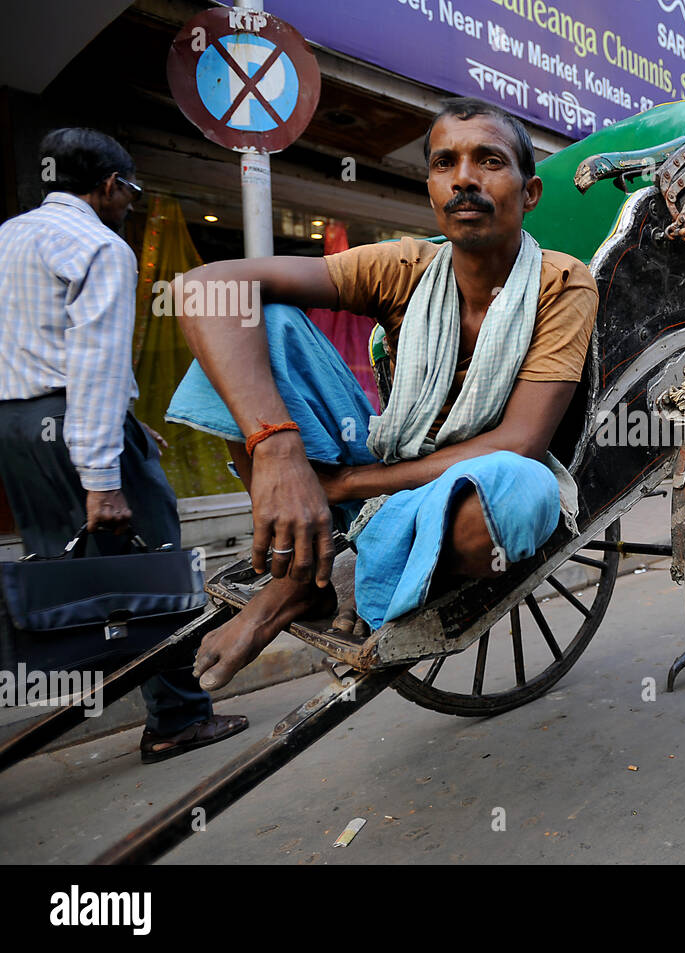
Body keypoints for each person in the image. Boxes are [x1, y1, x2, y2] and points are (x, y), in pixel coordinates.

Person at [165, 98, 599, 692]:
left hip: (464, 484)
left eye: (490, 161)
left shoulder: (563, 280)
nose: (465, 179)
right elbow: (207, 287)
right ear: (430, 187)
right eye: (445, 163)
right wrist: (278, 450)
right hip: (388, 457)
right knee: (264, 327)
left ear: (530, 194)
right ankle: (305, 574)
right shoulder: (406, 265)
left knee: (521, 493)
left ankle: (350, 565)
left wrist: (343, 486)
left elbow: (521, 441)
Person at [0, 128, 247, 762]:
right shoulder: (100, 247)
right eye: (130, 192)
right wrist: (103, 471)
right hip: (75, 426)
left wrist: (125, 425)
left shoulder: (7, 237)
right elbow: (93, 363)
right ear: (110, 185)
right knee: (151, 566)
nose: (130, 205)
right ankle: (178, 717)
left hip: (17, 428)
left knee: (64, 572)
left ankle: (77, 689)